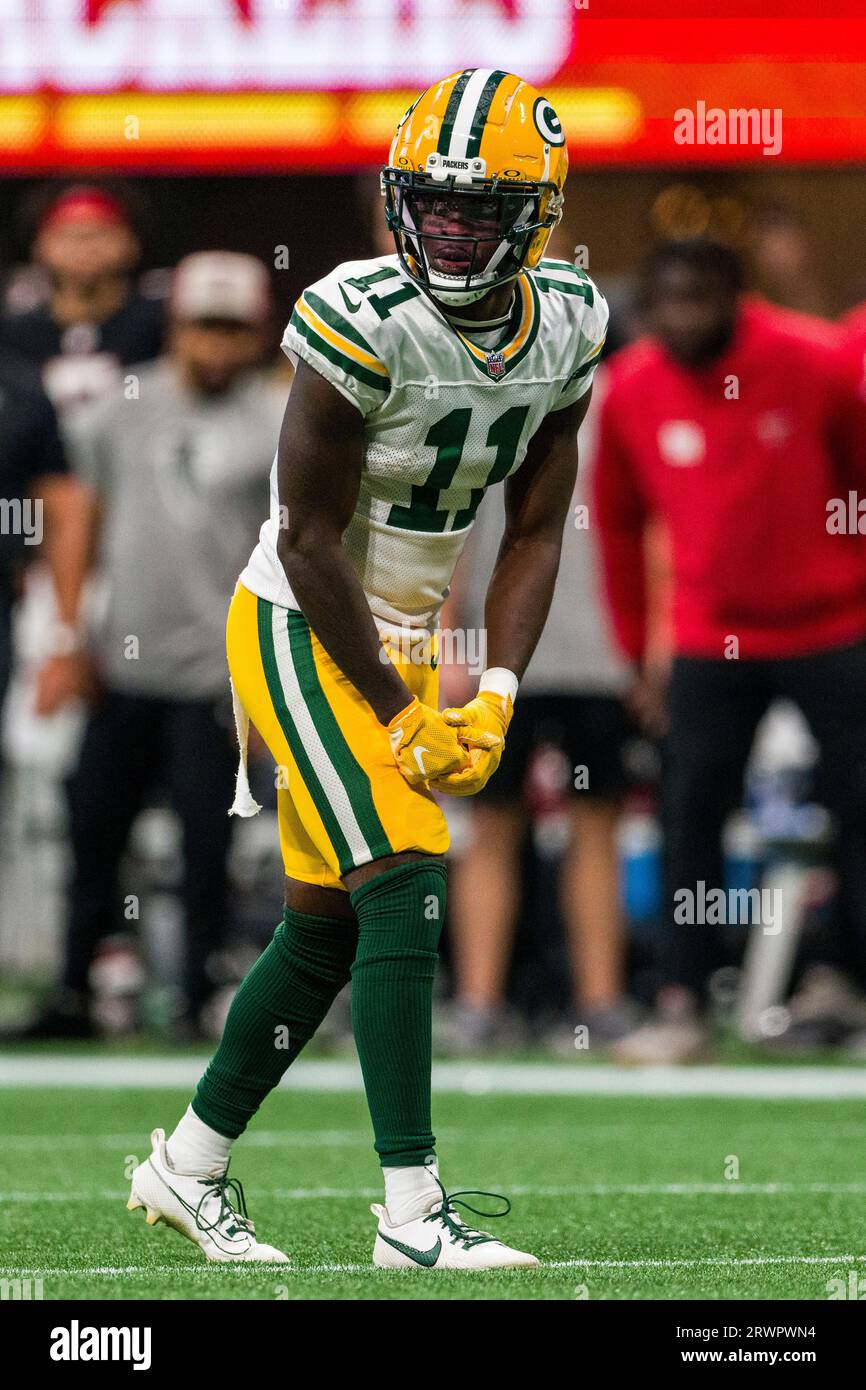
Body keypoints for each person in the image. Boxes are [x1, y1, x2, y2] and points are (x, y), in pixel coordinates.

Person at [126, 68, 608, 1270]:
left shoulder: (566, 323)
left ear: (536, 213)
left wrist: (493, 690)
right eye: (427, 203)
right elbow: (301, 535)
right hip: (299, 615)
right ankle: (411, 1215)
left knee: (325, 927)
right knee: (404, 867)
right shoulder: (358, 312)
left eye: (475, 208)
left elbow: (536, 528)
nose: (445, 227)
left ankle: (185, 1166)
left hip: (394, 628)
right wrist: (400, 712)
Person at [595, 239, 866, 1064]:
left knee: (860, 808)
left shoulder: (814, 363)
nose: (684, 318)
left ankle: (846, 984)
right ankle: (682, 999)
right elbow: (614, 522)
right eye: (668, 303)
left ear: (737, 298)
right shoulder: (631, 387)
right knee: (688, 815)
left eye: (701, 300)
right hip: (711, 636)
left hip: (834, 626)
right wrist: (637, 648)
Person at [8, 252, 284, 1041]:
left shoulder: (277, 421)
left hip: (216, 677)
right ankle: (73, 988)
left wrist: (264, 677)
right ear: (177, 325)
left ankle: (197, 996)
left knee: (208, 845)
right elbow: (77, 528)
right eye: (206, 325)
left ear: (256, 330)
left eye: (234, 328)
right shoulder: (119, 410)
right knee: (93, 832)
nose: (218, 345)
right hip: (122, 664)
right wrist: (68, 637)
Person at [443, 375, 642, 1050]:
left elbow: (651, 517)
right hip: (498, 651)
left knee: (596, 823)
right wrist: (448, 639)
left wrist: (648, 640)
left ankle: (600, 1001)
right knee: (491, 823)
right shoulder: (476, 386)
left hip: (597, 652)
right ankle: (479, 1002)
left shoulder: (617, 394)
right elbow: (452, 523)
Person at [0, 185, 163, 421]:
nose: (85, 246)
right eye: (68, 234)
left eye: (100, 232)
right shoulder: (14, 336)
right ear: (39, 246)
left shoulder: (157, 328)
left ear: (131, 243)